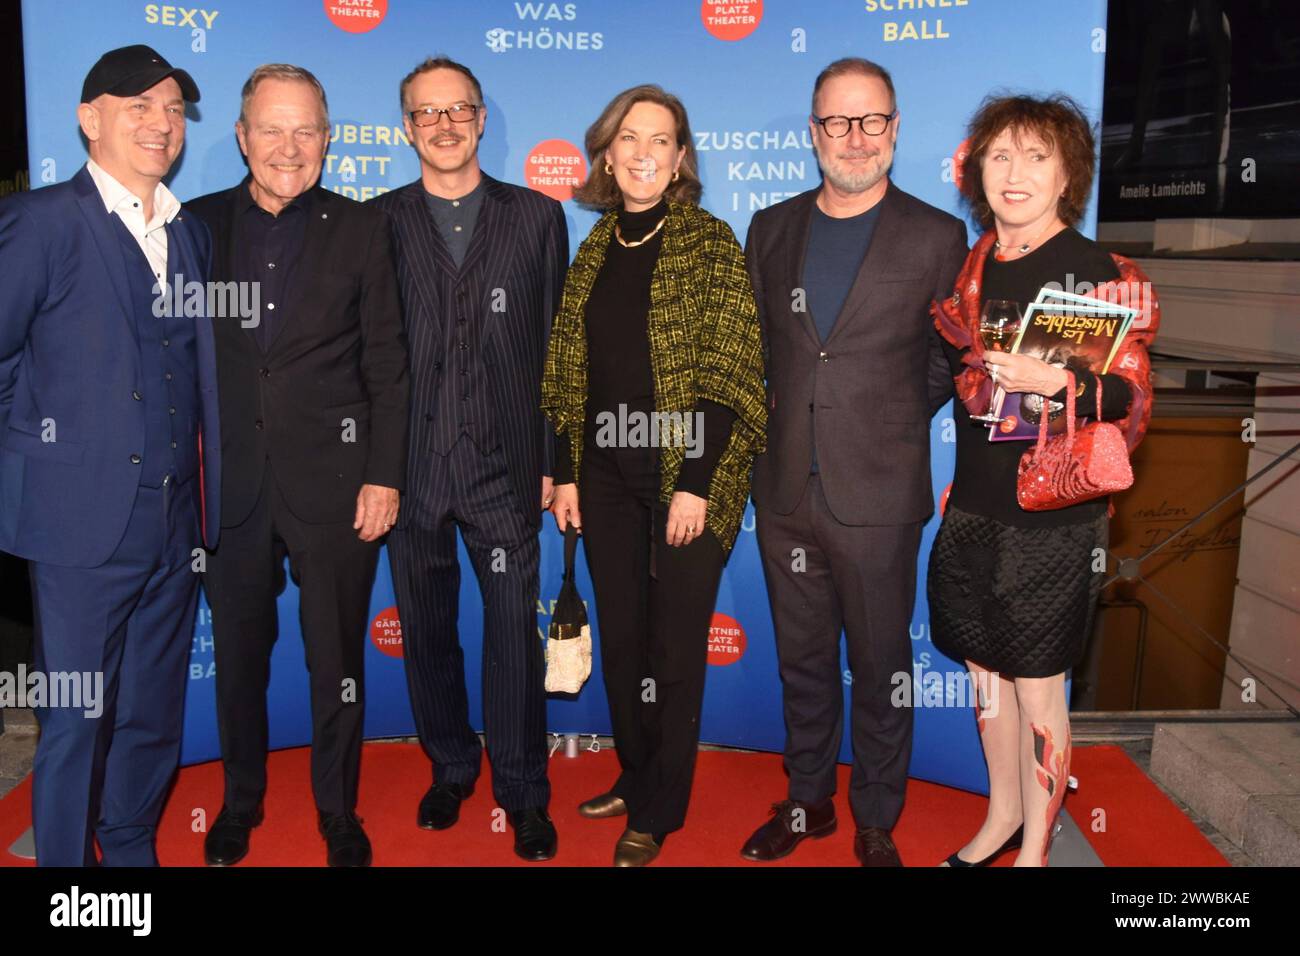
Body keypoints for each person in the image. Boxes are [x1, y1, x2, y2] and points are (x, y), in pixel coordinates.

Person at [739, 58, 968, 867]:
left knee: (880, 666)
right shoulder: (770, 228)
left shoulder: (938, 236)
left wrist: (891, 420)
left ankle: (875, 814)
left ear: (896, 129)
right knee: (801, 664)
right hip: (784, 488)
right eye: (837, 122)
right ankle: (808, 805)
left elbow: (950, 360)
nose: (855, 138)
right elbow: (764, 349)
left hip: (878, 490)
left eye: (872, 121)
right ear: (813, 134)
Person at [0, 45, 220, 866]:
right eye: (139, 106)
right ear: (91, 119)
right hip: (77, 530)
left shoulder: (189, 232)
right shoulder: (43, 221)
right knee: (73, 719)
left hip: (174, 523)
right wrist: (31, 467)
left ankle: (128, 849)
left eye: (171, 108)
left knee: (151, 713)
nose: (161, 122)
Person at [929, 93, 1159, 867]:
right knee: (985, 679)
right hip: (972, 506)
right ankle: (999, 818)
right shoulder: (977, 262)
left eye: (1036, 158)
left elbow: (1132, 400)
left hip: (1053, 522)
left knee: (1038, 691)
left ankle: (1034, 851)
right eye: (1000, 157)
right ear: (977, 173)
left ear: (1068, 177)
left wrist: (1057, 383)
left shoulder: (1100, 274)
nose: (1014, 173)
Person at [188, 64, 409, 868]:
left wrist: (385, 474)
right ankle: (239, 804)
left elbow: (390, 362)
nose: (289, 147)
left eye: (305, 130)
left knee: (337, 663)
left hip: (339, 488)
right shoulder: (194, 225)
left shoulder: (363, 229)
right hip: (230, 491)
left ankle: (337, 811)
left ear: (328, 138)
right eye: (271, 129)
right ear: (243, 137)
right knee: (240, 662)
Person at [542, 84, 766, 867]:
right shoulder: (595, 248)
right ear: (608, 153)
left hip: (683, 470)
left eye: (661, 139)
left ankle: (660, 810)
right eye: (629, 137)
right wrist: (566, 472)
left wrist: (697, 482)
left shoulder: (710, 241)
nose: (643, 151)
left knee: (673, 649)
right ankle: (636, 778)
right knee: (626, 637)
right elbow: (570, 375)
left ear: (680, 159)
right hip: (601, 474)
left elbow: (730, 369)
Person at [374, 57, 568, 862]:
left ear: (482, 119)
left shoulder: (537, 216)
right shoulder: (377, 222)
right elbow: (370, 355)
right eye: (428, 113)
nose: (445, 124)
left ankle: (522, 789)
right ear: (407, 127)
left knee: (511, 637)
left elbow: (561, 348)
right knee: (426, 630)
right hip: (410, 468)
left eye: (459, 110)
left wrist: (557, 461)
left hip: (506, 465)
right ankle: (450, 765)